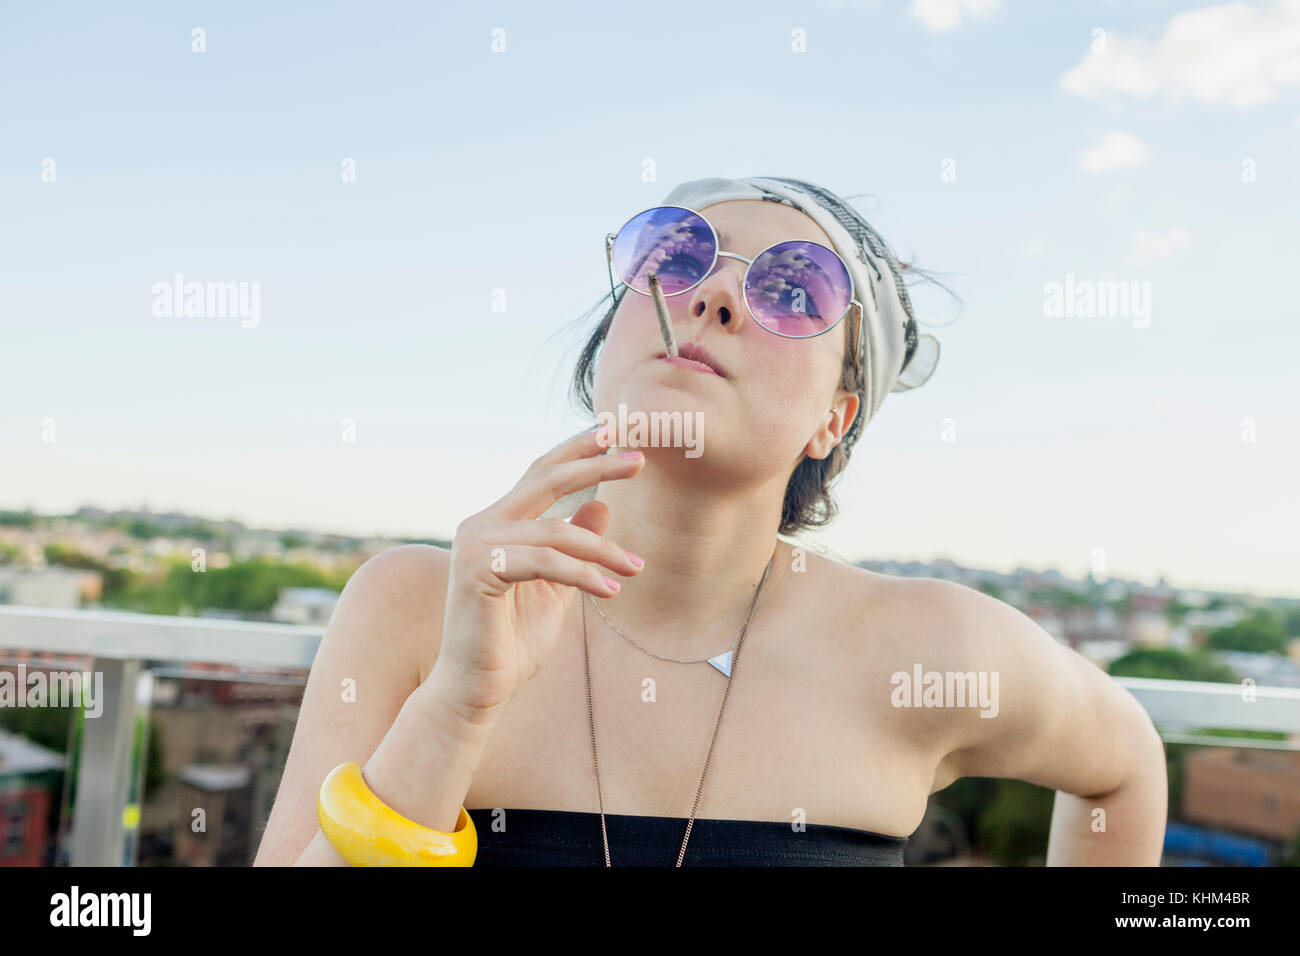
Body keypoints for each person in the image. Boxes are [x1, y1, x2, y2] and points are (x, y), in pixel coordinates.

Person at [254, 176, 1167, 867]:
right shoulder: (417, 607)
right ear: (609, 344)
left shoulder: (927, 645)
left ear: (834, 422)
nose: (711, 295)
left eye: (796, 291)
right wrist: (455, 708)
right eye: (674, 259)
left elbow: (1124, 764)